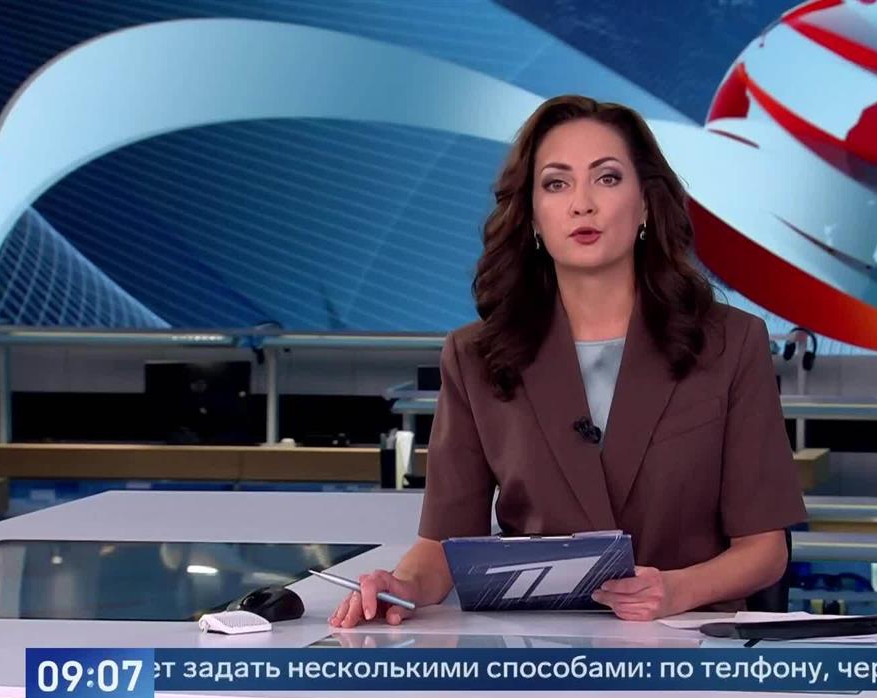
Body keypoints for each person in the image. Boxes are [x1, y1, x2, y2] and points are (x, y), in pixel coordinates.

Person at [330, 95, 805, 626]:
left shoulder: (729, 343)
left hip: (686, 643)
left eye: (607, 178)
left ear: (646, 205)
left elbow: (765, 549)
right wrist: (403, 587)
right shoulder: (475, 357)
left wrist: (676, 590)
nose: (583, 204)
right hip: (538, 652)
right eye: (557, 184)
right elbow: (442, 545)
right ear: (532, 216)